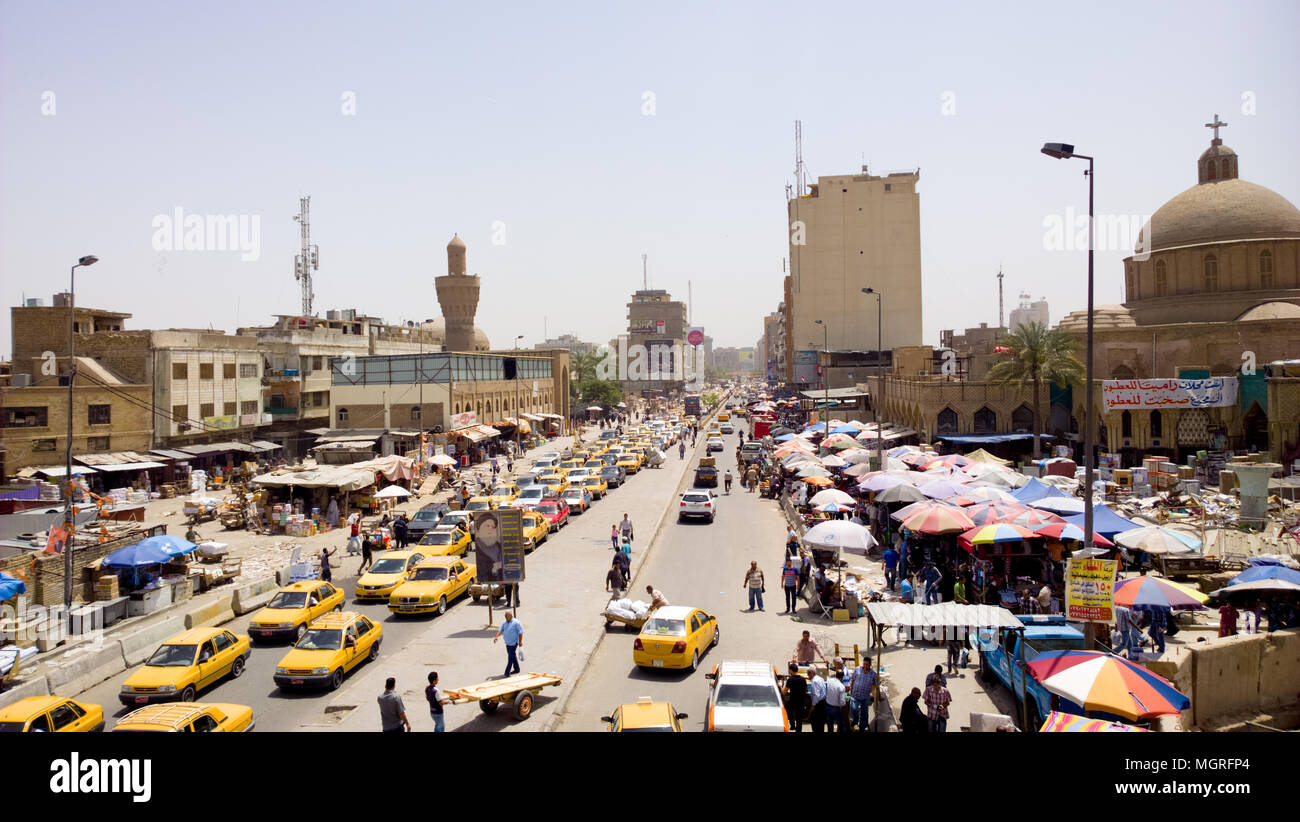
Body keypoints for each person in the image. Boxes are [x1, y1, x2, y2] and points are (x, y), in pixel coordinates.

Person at [849, 658, 877, 732]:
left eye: (867, 664)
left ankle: (863, 727)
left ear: (870, 664)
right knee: (854, 709)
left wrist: (871, 693)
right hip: (855, 695)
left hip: (865, 696)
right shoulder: (857, 669)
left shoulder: (873, 674)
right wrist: (851, 691)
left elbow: (874, 685)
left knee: (864, 713)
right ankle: (854, 724)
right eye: (864, 664)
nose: (865, 666)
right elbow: (853, 680)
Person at [494, 611, 523, 677]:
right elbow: (500, 630)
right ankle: (517, 669)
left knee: (510, 658)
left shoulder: (516, 622)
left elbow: (520, 632)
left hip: (514, 643)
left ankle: (506, 673)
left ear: (510, 616)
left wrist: (520, 641)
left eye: (506, 616)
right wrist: (496, 637)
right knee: (512, 656)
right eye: (505, 616)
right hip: (508, 643)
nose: (505, 618)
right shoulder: (504, 623)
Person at [783, 662, 809, 733]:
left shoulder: (790, 679)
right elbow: (806, 690)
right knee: (799, 719)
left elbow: (784, 691)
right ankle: (798, 730)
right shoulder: (803, 679)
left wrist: (780, 687)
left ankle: (792, 725)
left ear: (791, 670)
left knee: (788, 710)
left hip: (793, 701)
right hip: (801, 702)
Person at [808, 666, 828, 733]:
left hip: (818, 705)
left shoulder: (814, 681)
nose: (808, 676)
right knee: (821, 723)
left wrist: (813, 705)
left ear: (811, 673)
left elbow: (816, 695)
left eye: (808, 674)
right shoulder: (820, 678)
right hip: (823, 702)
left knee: (815, 724)